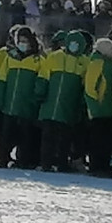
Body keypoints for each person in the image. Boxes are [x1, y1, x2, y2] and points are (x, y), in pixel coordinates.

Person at [35, 30, 88, 173]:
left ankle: (62, 163)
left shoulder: (84, 62)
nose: (73, 46)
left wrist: (81, 104)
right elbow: (43, 76)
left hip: (68, 107)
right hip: (50, 105)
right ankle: (46, 162)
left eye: (77, 44)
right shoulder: (54, 57)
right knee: (48, 136)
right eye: (71, 43)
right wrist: (40, 93)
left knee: (65, 137)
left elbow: (85, 85)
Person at [0, 27, 43, 169]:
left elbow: (41, 82)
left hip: (27, 107)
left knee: (25, 136)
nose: (22, 44)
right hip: (10, 105)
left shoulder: (38, 60)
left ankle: (23, 160)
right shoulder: (10, 58)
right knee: (6, 134)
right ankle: (3, 159)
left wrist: (35, 99)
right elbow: (2, 79)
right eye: (20, 41)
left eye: (25, 41)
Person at [84, 38, 112, 177]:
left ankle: (104, 165)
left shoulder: (111, 63)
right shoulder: (97, 63)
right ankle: (96, 166)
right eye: (110, 48)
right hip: (100, 110)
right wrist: (94, 107)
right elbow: (90, 87)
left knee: (107, 140)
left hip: (110, 108)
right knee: (98, 140)